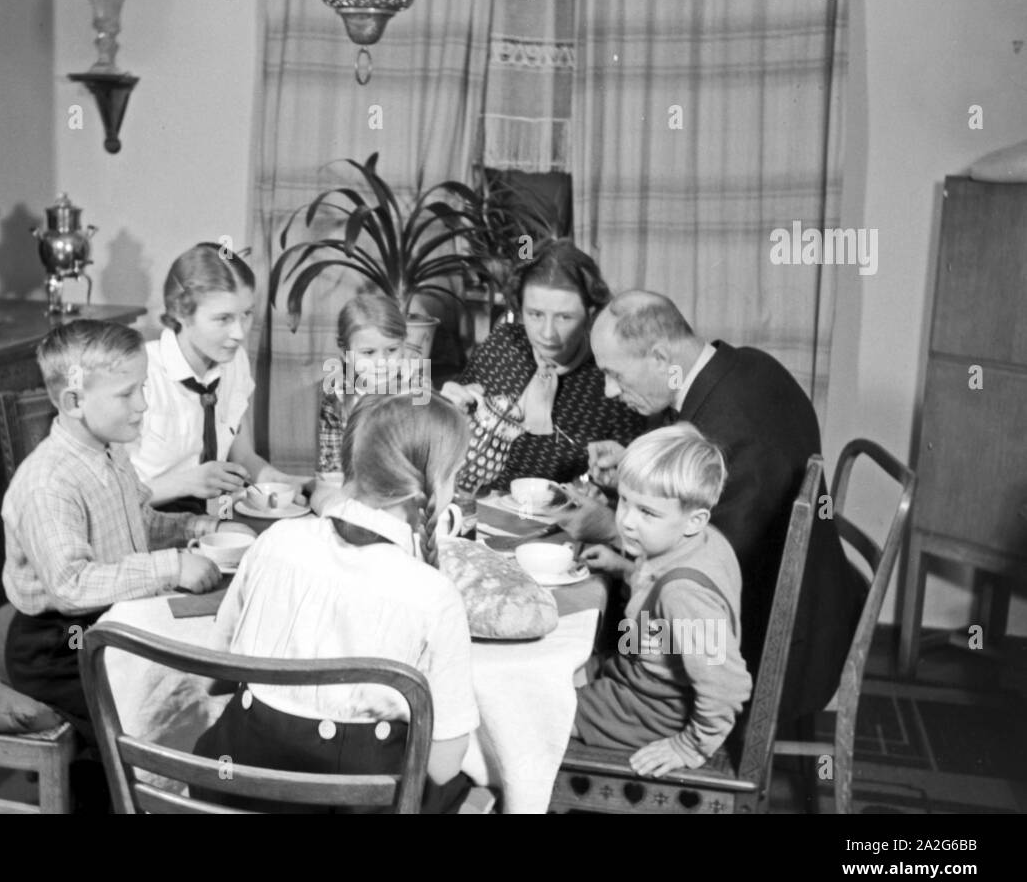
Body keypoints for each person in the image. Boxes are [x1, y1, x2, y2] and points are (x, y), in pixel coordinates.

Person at [572, 289, 859, 721]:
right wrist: (640, 469)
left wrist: (611, 527)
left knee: (583, 652)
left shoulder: (728, 434)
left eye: (615, 374)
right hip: (817, 606)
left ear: (660, 357)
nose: (610, 391)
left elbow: (708, 561)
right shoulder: (748, 367)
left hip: (770, 654)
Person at [2, 320, 250, 808]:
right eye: (127, 394)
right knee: (143, 714)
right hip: (58, 644)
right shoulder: (48, 482)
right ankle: (131, 794)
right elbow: (71, 585)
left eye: (143, 389)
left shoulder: (110, 452)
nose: (142, 405)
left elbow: (138, 519)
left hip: (114, 619)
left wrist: (189, 530)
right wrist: (171, 568)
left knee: (202, 679)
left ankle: (177, 790)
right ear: (74, 403)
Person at [193, 392, 480, 813]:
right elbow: (441, 765)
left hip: (233, 785)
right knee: (472, 790)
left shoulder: (274, 542)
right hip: (353, 803)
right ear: (432, 485)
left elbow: (214, 676)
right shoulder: (434, 595)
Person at [573, 424, 752, 775]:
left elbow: (727, 685)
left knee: (535, 712)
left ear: (693, 520)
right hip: (634, 671)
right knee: (555, 672)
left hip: (652, 709)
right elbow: (659, 604)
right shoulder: (703, 540)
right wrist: (624, 567)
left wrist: (689, 746)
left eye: (648, 512)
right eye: (624, 500)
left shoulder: (684, 595)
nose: (626, 521)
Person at [441, 238, 645, 491]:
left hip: (563, 521)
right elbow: (443, 434)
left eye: (564, 317)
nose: (547, 334)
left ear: (591, 313)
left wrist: (611, 484)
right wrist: (443, 407)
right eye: (535, 315)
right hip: (477, 506)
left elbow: (635, 477)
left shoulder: (612, 375)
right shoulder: (503, 344)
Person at [129, 243, 310, 512]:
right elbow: (108, 497)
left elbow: (245, 457)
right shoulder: (139, 374)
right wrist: (186, 483)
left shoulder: (234, 361)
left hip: (214, 522)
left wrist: (278, 481)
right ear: (180, 311)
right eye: (223, 318)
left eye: (246, 314)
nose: (239, 332)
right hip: (146, 527)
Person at [316, 292, 410, 475]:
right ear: (345, 352)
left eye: (392, 350)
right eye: (368, 353)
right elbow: (331, 468)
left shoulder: (414, 392)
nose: (382, 362)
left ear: (404, 345)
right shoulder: (337, 400)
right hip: (354, 491)